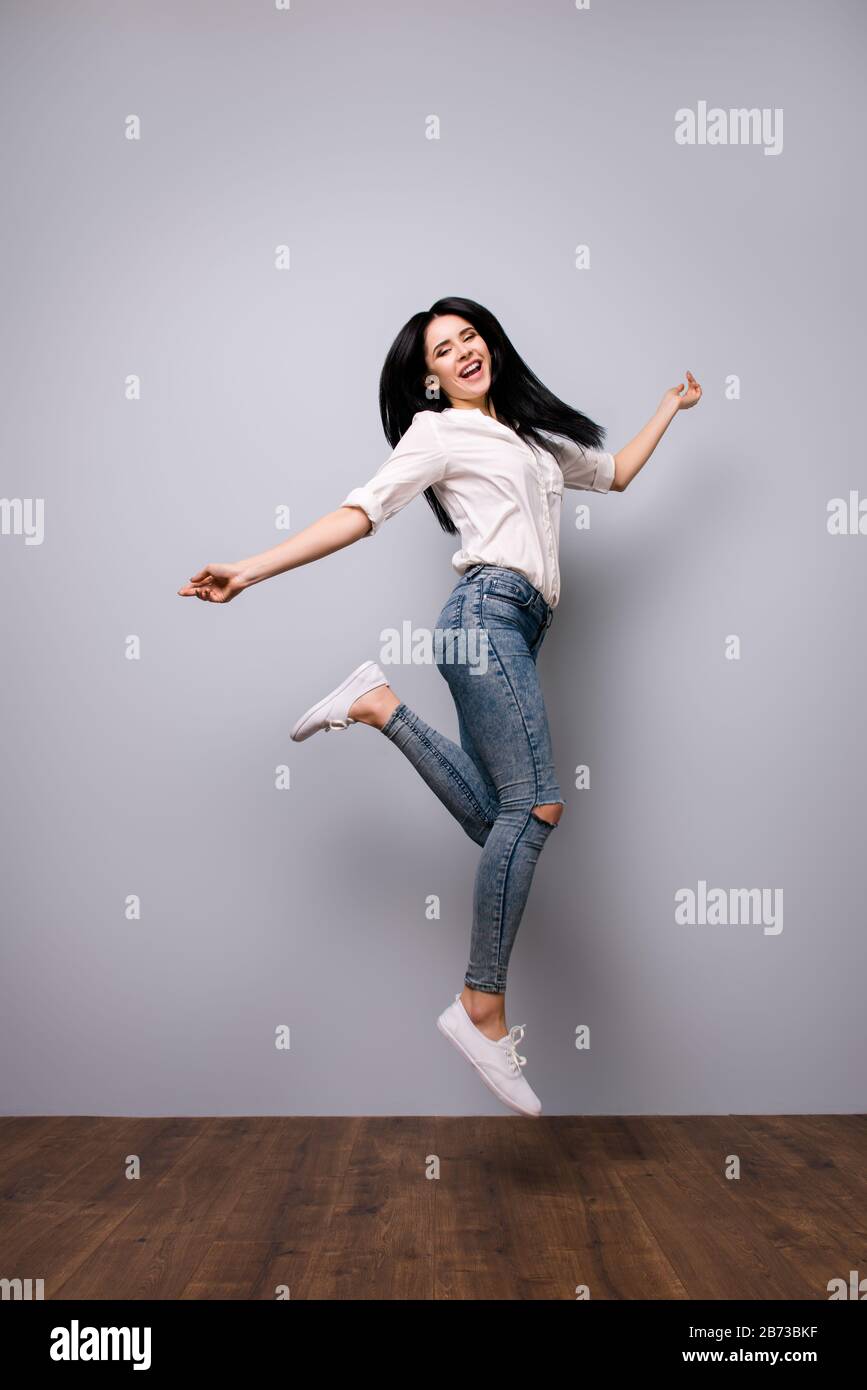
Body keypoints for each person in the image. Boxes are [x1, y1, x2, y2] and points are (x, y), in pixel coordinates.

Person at [178, 295, 702, 1116]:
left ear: (489, 346)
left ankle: (379, 702)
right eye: (443, 350)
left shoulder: (527, 441)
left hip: (514, 630)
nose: (463, 352)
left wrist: (668, 408)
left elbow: (616, 473)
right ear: (428, 379)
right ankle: (479, 1005)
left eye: (470, 337)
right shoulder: (437, 434)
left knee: (499, 819)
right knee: (536, 810)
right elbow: (361, 513)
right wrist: (250, 568)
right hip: (485, 615)